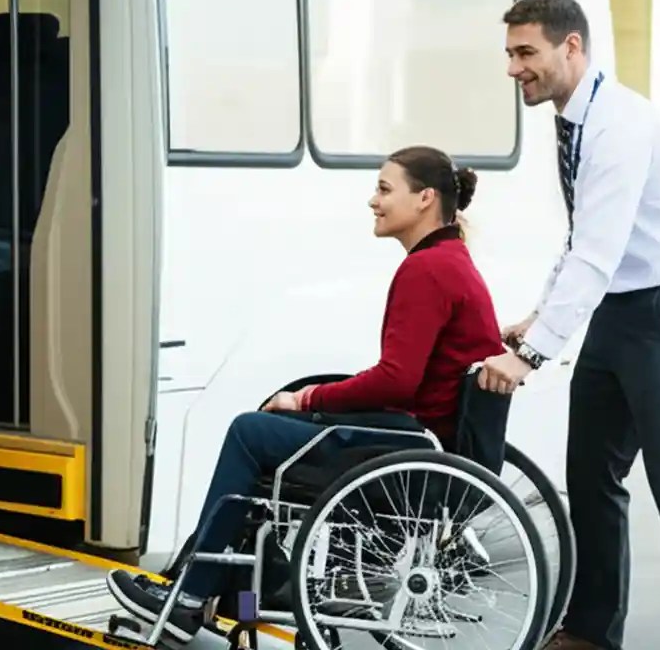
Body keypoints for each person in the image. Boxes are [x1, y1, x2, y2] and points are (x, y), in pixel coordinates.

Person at [106, 145, 505, 643]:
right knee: (276, 420)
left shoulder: (427, 270)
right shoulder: (450, 260)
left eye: (384, 189)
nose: (372, 201)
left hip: (413, 451)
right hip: (426, 442)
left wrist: (310, 399)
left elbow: (396, 380)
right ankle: (219, 589)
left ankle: (191, 597)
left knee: (251, 432)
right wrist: (312, 397)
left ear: (424, 198)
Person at [477, 0, 660, 650]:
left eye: (525, 52)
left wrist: (531, 355)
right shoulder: (572, 117)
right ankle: (593, 632)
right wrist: (539, 315)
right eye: (510, 54)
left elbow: (598, 250)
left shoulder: (619, 124)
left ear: (572, 48)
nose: (514, 68)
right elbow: (581, 238)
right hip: (619, 312)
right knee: (590, 475)